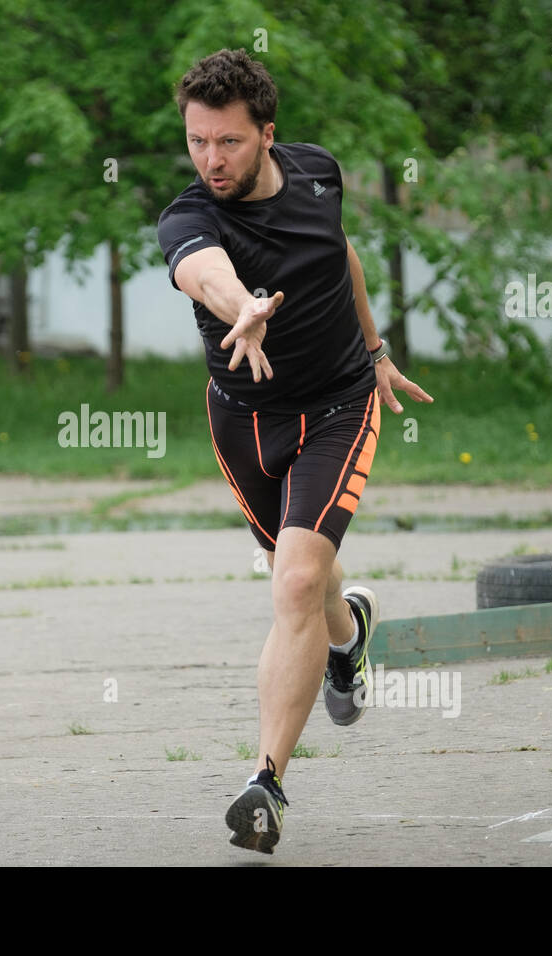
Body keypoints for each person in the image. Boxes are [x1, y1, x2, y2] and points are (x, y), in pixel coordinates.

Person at [157, 48, 434, 854]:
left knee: (297, 578)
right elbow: (203, 274)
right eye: (197, 141)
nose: (210, 159)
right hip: (242, 419)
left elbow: (337, 251)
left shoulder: (318, 173)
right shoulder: (187, 217)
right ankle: (349, 635)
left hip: (340, 405)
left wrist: (377, 349)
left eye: (229, 143)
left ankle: (265, 783)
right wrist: (242, 304)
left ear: (267, 136)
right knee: (303, 579)